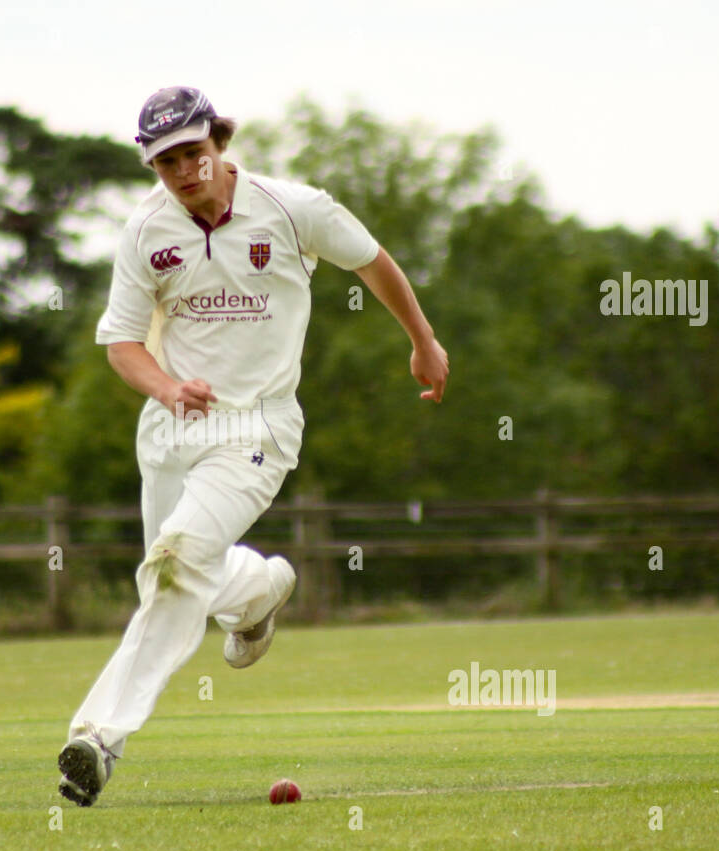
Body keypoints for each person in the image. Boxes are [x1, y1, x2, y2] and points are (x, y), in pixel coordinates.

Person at [57, 86, 449, 806]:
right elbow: (120, 343)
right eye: (165, 161)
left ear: (219, 142)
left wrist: (421, 340)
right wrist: (168, 389)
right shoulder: (145, 232)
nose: (183, 172)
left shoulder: (293, 207)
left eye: (192, 154)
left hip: (256, 431)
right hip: (173, 430)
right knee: (172, 574)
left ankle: (99, 738)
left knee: (176, 567)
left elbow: (372, 261)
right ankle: (262, 588)